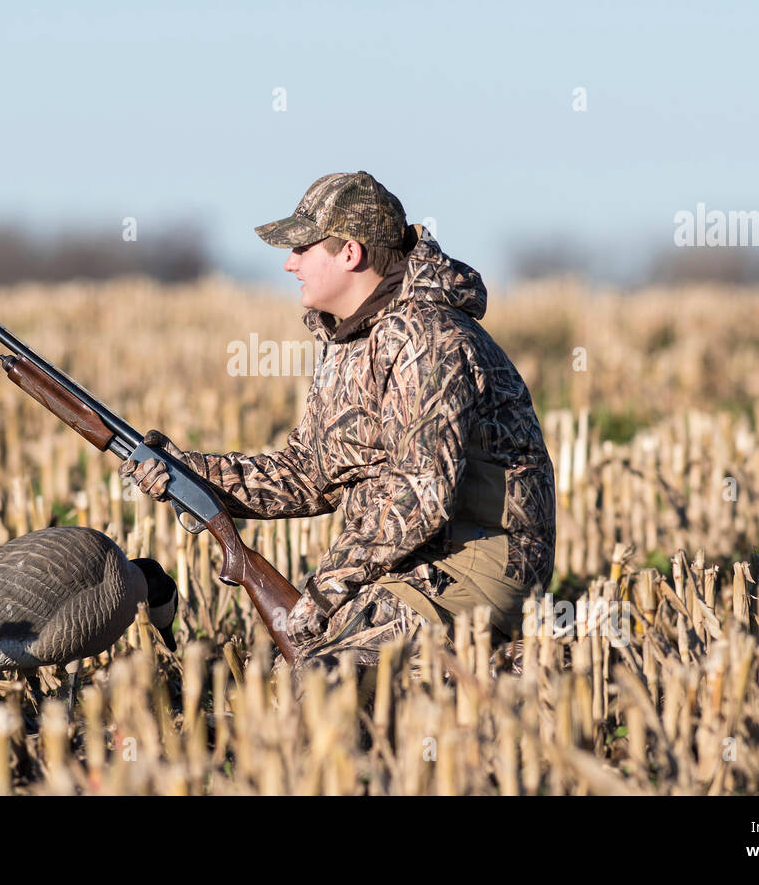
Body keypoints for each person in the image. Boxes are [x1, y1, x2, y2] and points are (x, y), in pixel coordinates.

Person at [119, 171, 555, 674]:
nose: (289, 263)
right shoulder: (349, 340)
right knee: (289, 679)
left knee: (328, 684)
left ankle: (505, 676)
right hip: (403, 566)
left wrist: (325, 589)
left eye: (303, 249)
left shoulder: (429, 339)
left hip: (470, 568)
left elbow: (422, 498)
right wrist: (189, 473)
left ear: (350, 253)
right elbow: (309, 474)